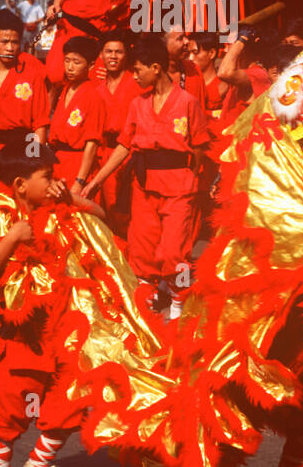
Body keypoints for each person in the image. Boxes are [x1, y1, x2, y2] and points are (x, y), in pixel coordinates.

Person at [0, 140, 104, 467]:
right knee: (7, 415)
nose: (55, 183)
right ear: (21, 185)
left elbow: (102, 216)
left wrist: (73, 200)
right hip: (15, 335)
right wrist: (12, 238)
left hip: (59, 327)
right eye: (47, 177)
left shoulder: (58, 208)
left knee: (72, 400)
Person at [82, 36, 207, 320]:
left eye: (138, 70)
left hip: (179, 187)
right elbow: (124, 145)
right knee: (142, 249)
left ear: (156, 68)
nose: (134, 75)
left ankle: (180, 299)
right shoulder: (139, 104)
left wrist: (189, 180)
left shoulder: (188, 102)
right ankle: (147, 298)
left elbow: (200, 149)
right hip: (144, 185)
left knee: (175, 251)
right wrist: (96, 181)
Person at [44, 0, 140, 87]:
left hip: (94, 46)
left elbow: (120, 28)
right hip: (68, 35)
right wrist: (56, 6)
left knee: (98, 81)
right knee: (56, 77)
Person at [0, 9, 49, 172]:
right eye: (4, 42)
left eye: (15, 42)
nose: (10, 48)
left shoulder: (31, 71)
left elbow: (40, 124)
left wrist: (34, 163)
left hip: (21, 156)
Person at [47, 36, 106, 189]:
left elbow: (92, 144)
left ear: (91, 65)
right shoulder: (64, 89)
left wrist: (80, 181)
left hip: (77, 165)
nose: (70, 67)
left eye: (76, 62)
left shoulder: (93, 96)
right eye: (67, 61)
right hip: (57, 163)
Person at [94, 30, 137, 234]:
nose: (113, 56)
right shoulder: (96, 86)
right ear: (101, 55)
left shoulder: (136, 83)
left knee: (128, 213)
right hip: (103, 153)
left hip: (131, 156)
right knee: (105, 212)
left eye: (118, 52)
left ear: (126, 55)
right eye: (108, 51)